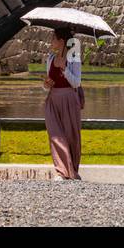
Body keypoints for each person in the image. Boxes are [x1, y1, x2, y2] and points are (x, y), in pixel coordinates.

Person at [42, 27, 83, 181]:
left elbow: (76, 82)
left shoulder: (74, 58)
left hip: (69, 100)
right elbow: (48, 83)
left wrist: (64, 68)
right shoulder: (50, 58)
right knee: (55, 135)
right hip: (53, 100)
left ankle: (71, 171)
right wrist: (46, 85)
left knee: (70, 137)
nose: (51, 41)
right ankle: (61, 171)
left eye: (53, 38)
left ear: (61, 41)